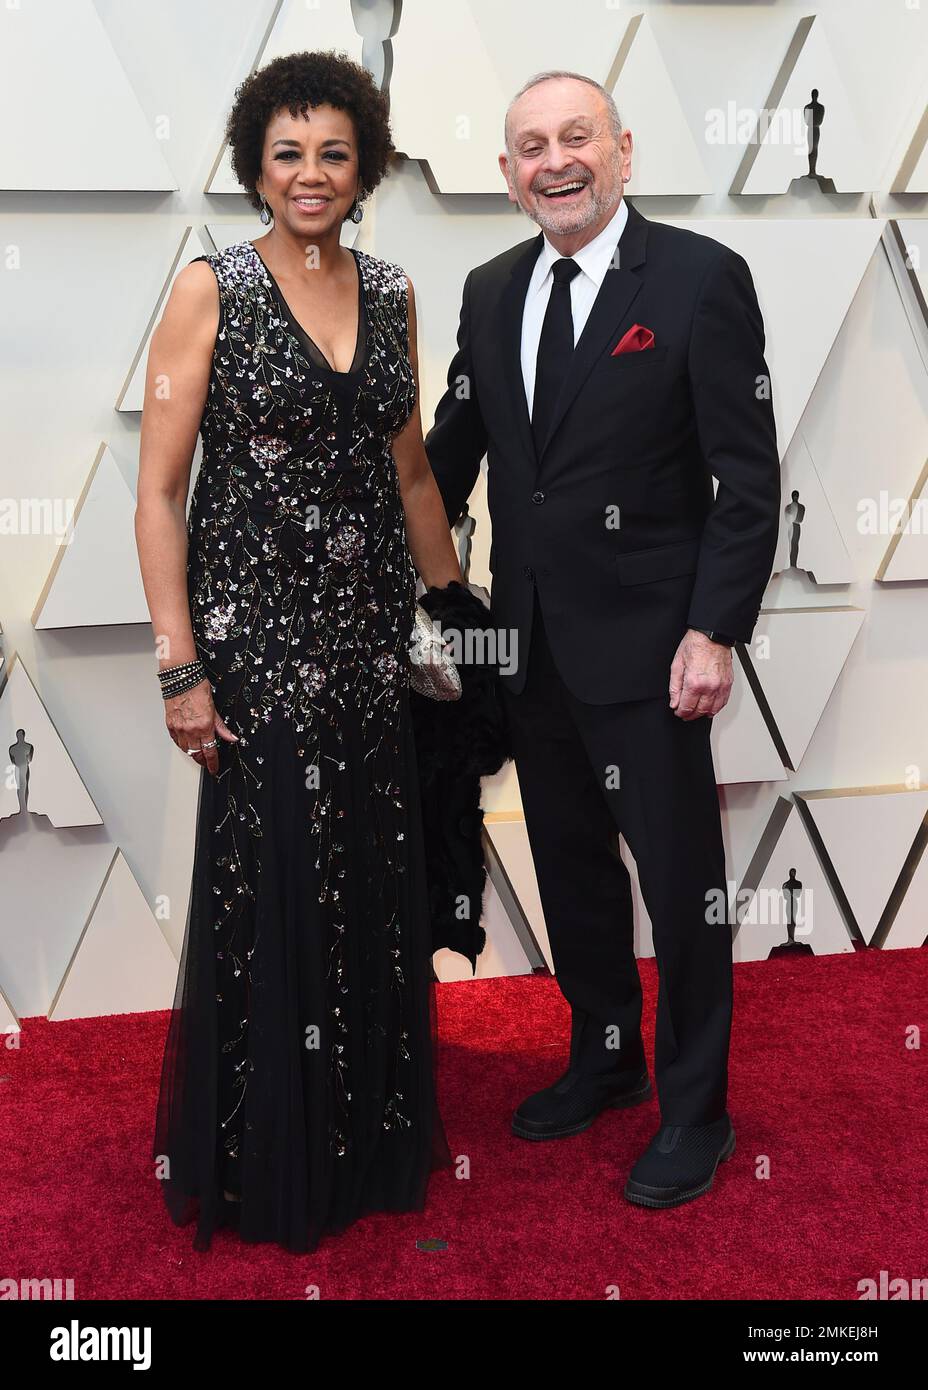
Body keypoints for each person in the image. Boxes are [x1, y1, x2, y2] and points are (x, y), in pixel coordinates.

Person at [425, 70, 781, 1209]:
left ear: (623, 150)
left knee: (681, 891)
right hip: (528, 648)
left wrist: (713, 631)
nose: (554, 161)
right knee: (572, 873)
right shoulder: (488, 291)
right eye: (531, 146)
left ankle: (697, 1111)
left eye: (575, 137)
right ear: (506, 173)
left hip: (653, 651)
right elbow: (451, 453)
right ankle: (607, 1058)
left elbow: (745, 479)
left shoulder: (696, 279)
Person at [136, 50, 465, 1252]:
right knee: (273, 891)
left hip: (367, 641)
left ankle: (362, 1144)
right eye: (289, 153)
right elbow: (160, 494)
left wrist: (456, 607)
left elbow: (411, 466)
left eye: (333, 151)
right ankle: (269, 1157)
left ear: (363, 161)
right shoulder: (207, 288)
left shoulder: (391, 289)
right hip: (256, 646)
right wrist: (182, 665)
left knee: (371, 885)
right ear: (254, 166)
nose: (311, 174)